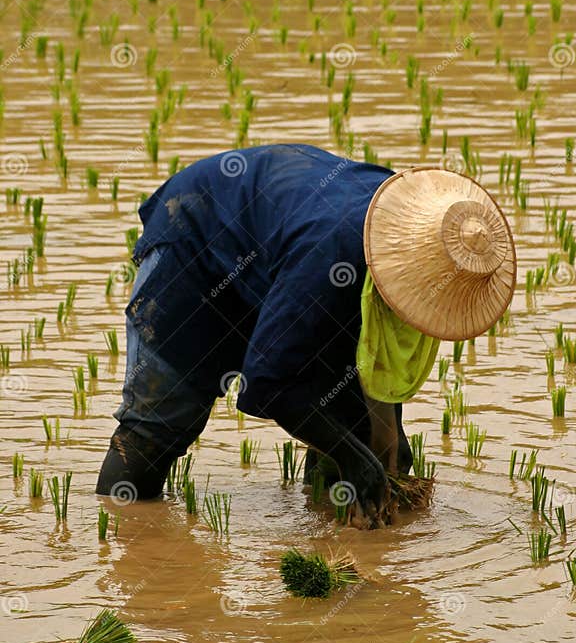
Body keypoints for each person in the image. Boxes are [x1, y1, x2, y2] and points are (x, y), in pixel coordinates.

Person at [96, 144, 516, 525]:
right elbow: (272, 381)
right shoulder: (331, 253)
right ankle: (123, 542)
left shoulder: (401, 231)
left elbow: (376, 355)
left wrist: (385, 440)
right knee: (158, 427)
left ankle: (337, 545)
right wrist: (354, 457)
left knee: (354, 427)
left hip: (283, 250)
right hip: (196, 237)